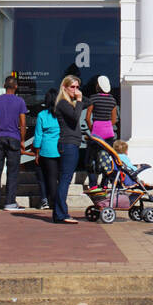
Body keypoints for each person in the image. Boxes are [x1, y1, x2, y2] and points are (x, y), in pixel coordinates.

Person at [0, 74, 27, 211]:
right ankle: (9, 202)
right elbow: (23, 123)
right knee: (13, 171)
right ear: (16, 87)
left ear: (4, 86)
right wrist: (22, 140)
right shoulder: (20, 102)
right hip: (14, 137)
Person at [52, 75, 87, 223]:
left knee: (66, 178)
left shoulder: (70, 102)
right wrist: (78, 101)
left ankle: (59, 213)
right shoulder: (62, 103)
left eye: (77, 87)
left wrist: (81, 98)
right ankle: (61, 214)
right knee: (65, 179)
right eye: (72, 87)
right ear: (64, 87)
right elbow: (75, 117)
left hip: (72, 143)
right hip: (68, 143)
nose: (76, 90)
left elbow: (87, 103)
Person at [32, 88, 60, 213]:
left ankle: (46, 200)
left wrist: (36, 152)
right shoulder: (62, 114)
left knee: (44, 176)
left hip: (46, 150)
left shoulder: (42, 115)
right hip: (60, 149)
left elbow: (38, 136)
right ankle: (54, 200)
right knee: (55, 177)